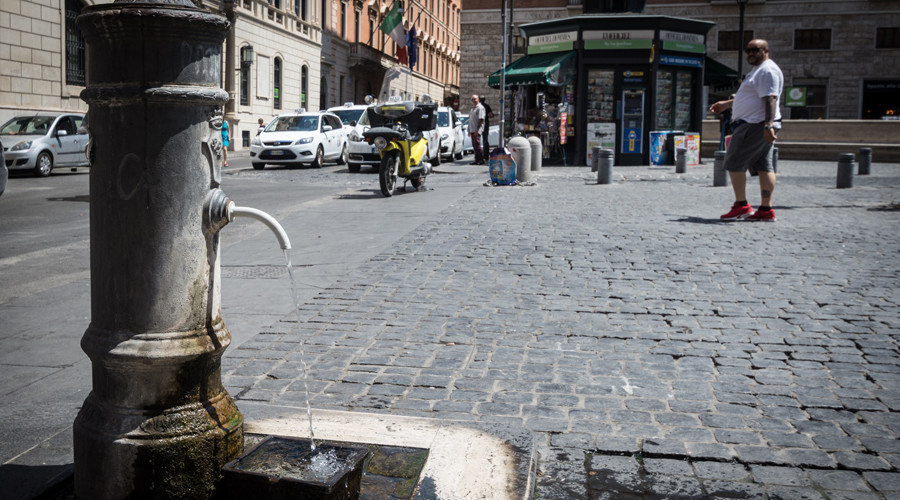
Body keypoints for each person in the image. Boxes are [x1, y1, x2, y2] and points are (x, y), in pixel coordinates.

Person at [709, 39, 783, 222]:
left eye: (755, 50)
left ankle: (741, 206)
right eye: (748, 50)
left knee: (734, 161)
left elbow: (771, 99)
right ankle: (766, 209)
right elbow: (754, 96)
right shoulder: (758, 71)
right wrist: (727, 104)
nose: (750, 53)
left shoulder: (767, 70)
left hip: (754, 124)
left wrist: (768, 125)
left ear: (766, 50)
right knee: (764, 166)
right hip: (757, 123)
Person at [469, 94, 486, 165]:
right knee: (474, 145)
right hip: (472, 129)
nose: (473, 101)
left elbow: (481, 119)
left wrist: (477, 129)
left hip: (476, 129)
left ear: (478, 99)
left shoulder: (480, 108)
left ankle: (481, 159)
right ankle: (476, 159)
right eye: (472, 100)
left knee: (477, 144)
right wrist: (469, 130)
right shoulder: (473, 109)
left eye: (475, 99)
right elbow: (470, 120)